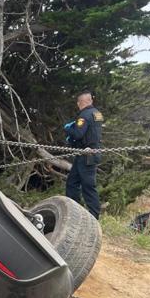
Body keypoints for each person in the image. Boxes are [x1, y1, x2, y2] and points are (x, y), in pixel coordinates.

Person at [63, 89, 104, 219]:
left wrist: (69, 129)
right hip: (90, 153)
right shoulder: (97, 114)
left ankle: (93, 217)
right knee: (72, 183)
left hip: (87, 155)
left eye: (78, 103)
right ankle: (75, 212)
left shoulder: (84, 115)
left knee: (88, 187)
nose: (78, 105)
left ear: (81, 102)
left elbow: (78, 134)